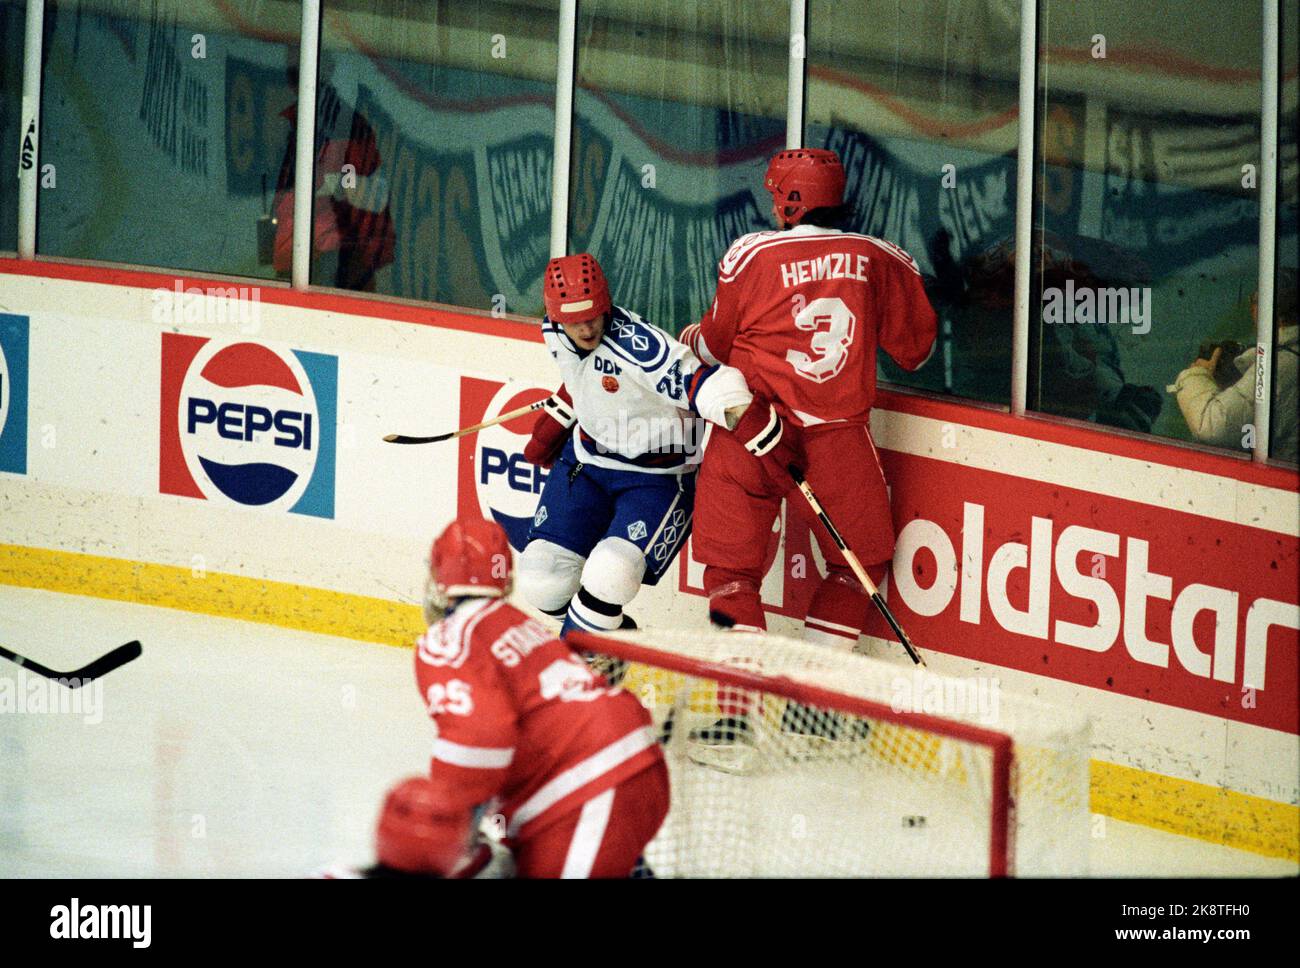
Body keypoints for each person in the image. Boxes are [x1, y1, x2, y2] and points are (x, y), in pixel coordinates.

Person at [680, 147, 937, 651]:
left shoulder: (750, 254)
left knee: (732, 574)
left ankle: (734, 707)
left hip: (748, 433)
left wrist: (690, 338)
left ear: (789, 204)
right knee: (856, 566)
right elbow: (918, 354)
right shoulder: (878, 256)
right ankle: (813, 704)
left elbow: (711, 347)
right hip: (836, 439)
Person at [381, 516, 670, 878]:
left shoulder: (448, 640)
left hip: (590, 790)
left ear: (440, 579)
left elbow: (479, 739)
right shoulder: (520, 623)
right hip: (636, 765)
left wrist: (450, 826)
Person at [516, 253, 756, 639]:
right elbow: (582, 379)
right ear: (556, 315)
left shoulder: (639, 347)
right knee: (542, 580)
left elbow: (703, 383)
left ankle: (578, 677)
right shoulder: (553, 331)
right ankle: (612, 637)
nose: (586, 327)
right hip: (588, 463)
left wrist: (747, 418)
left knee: (611, 573)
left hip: (658, 477)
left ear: (606, 303)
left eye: (593, 315)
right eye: (574, 319)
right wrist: (557, 420)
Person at [1168, 269, 1298, 463]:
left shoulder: (1280, 365)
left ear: (1266, 309)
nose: (1250, 308)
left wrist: (1197, 374)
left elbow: (1212, 426)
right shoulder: (1285, 355)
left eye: (1254, 300)